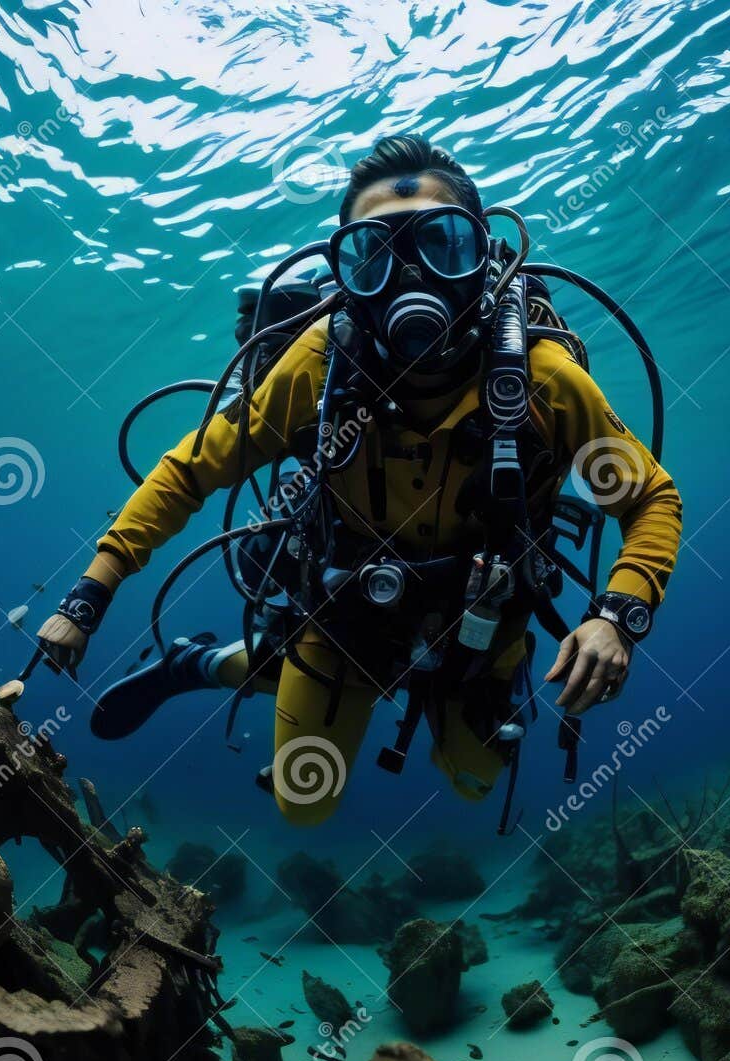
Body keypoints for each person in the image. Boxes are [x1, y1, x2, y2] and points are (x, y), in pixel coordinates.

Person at [36, 135, 681, 826]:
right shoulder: (320, 364)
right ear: (347, 275)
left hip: (485, 623)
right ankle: (200, 663)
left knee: (473, 780)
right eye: (376, 255)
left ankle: (386, 675)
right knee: (304, 803)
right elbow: (191, 471)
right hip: (345, 617)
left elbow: (648, 496)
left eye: (442, 244)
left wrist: (619, 616)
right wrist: (90, 593)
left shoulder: (540, 377)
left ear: (484, 256)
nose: (412, 277)